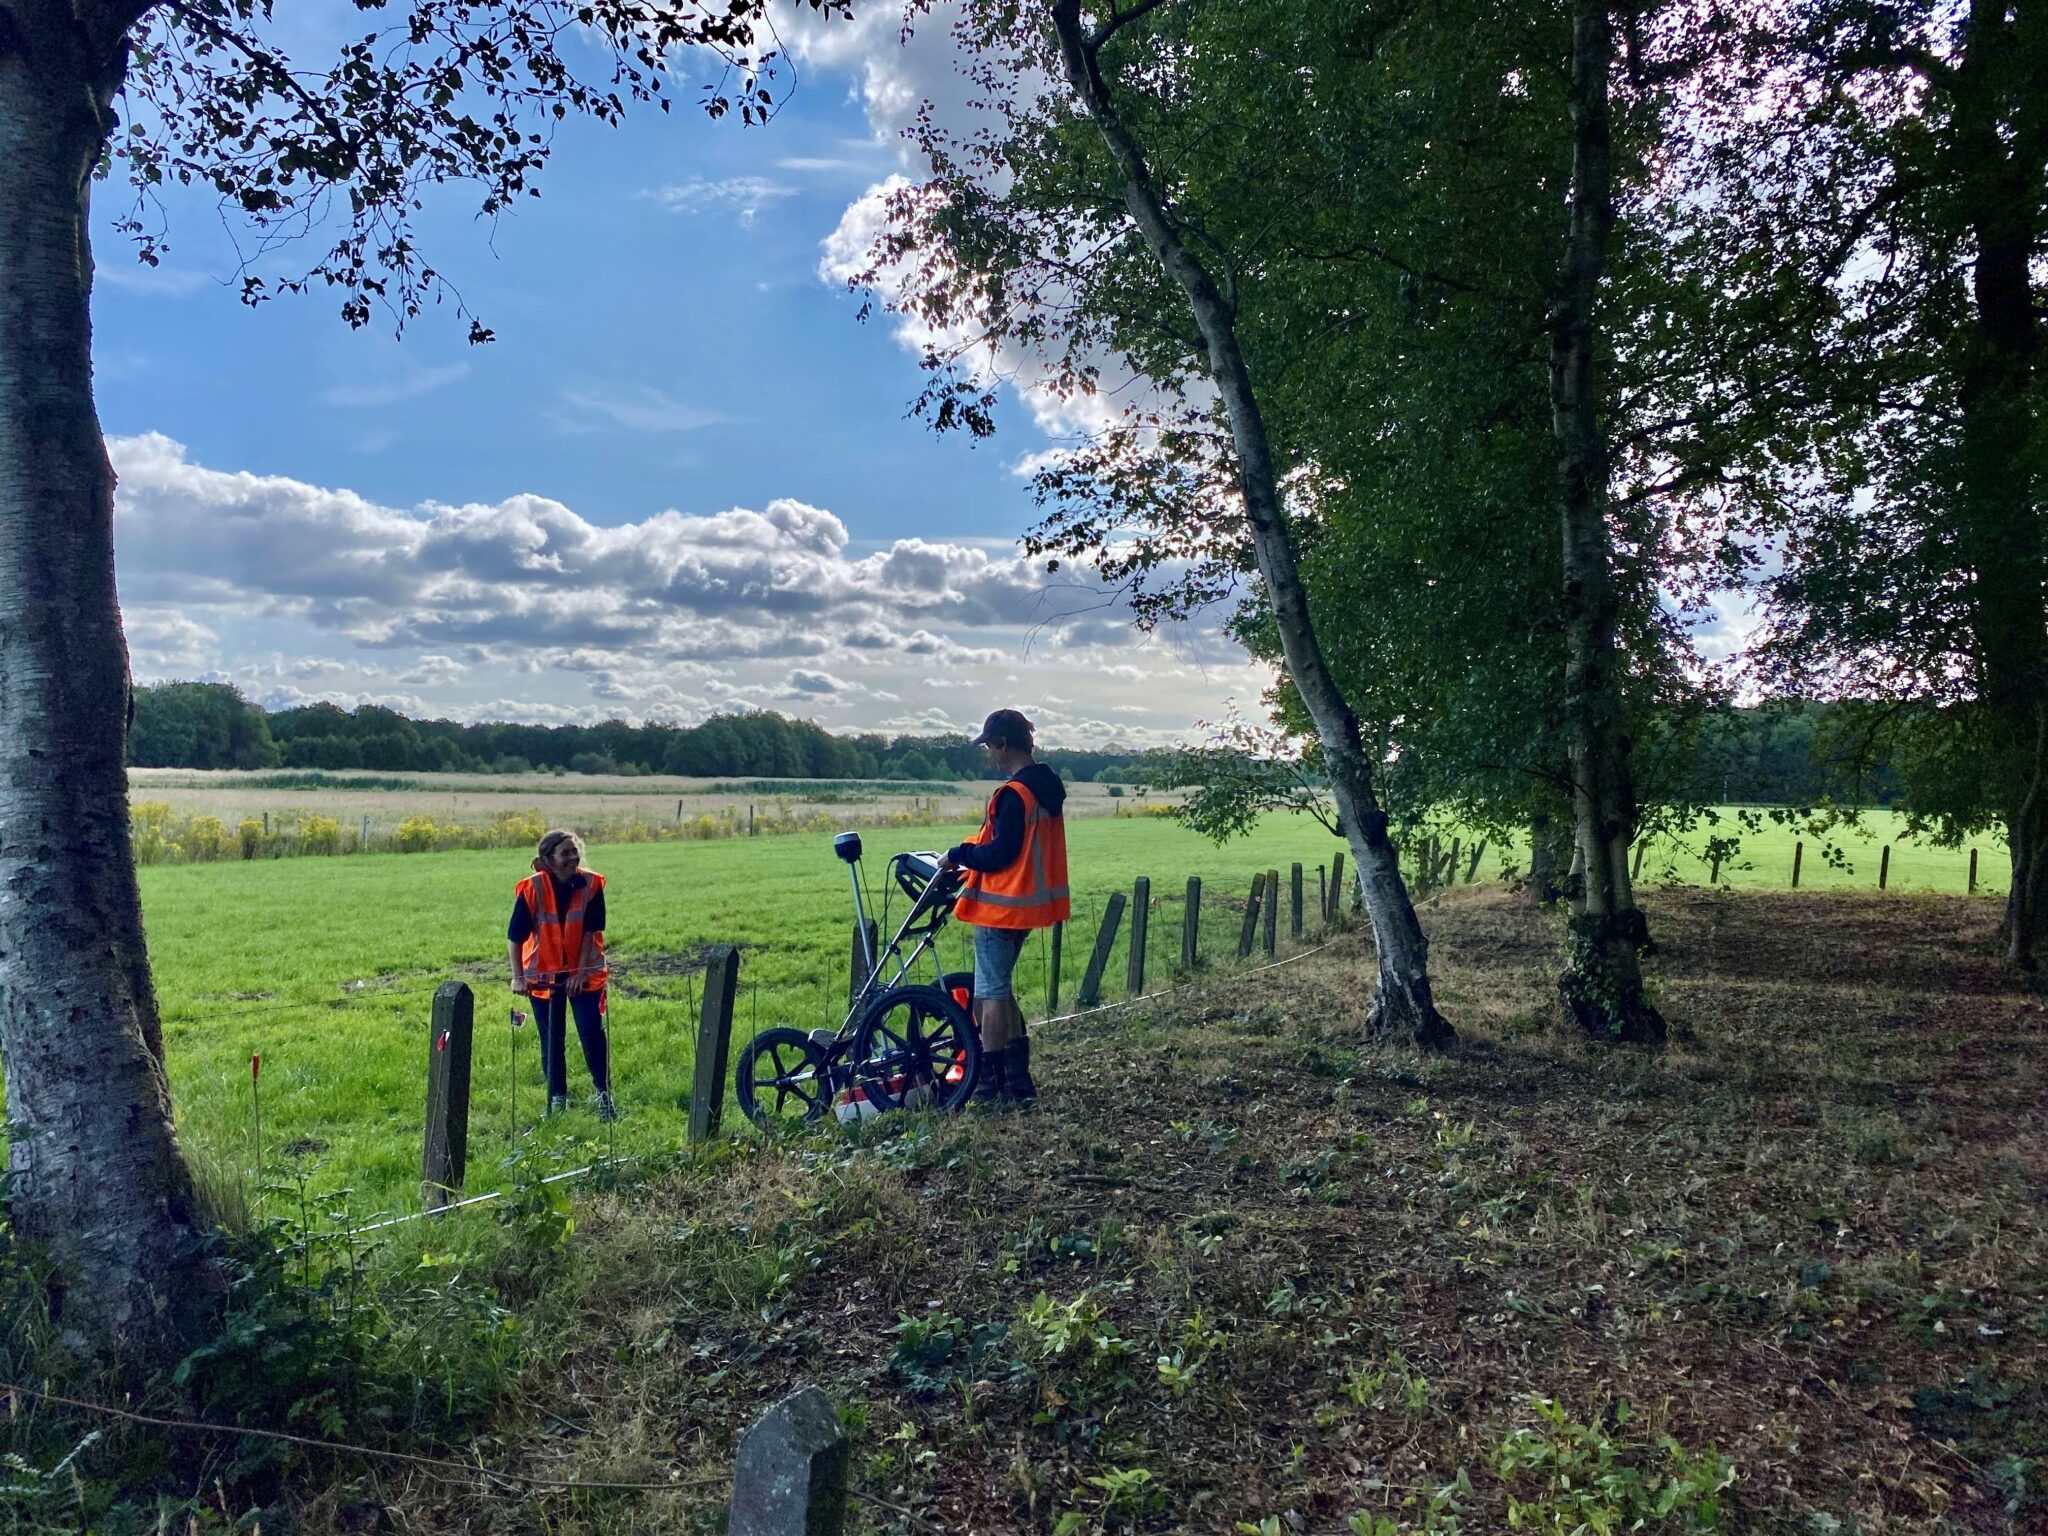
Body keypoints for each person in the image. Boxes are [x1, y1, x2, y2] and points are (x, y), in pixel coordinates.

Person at [937, 708, 1069, 1105]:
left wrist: (958, 854)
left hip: (1001, 906)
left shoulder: (1014, 793)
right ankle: (1018, 1081)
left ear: (1002, 744)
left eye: (990, 747)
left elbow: (1001, 854)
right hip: (1027, 906)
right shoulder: (1046, 787)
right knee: (1001, 988)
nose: (990, 756)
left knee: (990, 992)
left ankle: (989, 1083)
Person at [508, 829, 616, 1121]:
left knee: (592, 1035)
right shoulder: (533, 888)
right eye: (565, 853)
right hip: (543, 976)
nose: (572, 857)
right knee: (551, 1039)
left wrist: (579, 973)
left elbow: (590, 932)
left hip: (584, 974)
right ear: (549, 859)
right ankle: (557, 1098)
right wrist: (518, 977)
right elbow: (514, 937)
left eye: (574, 851)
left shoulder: (591, 884)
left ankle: (604, 1094)